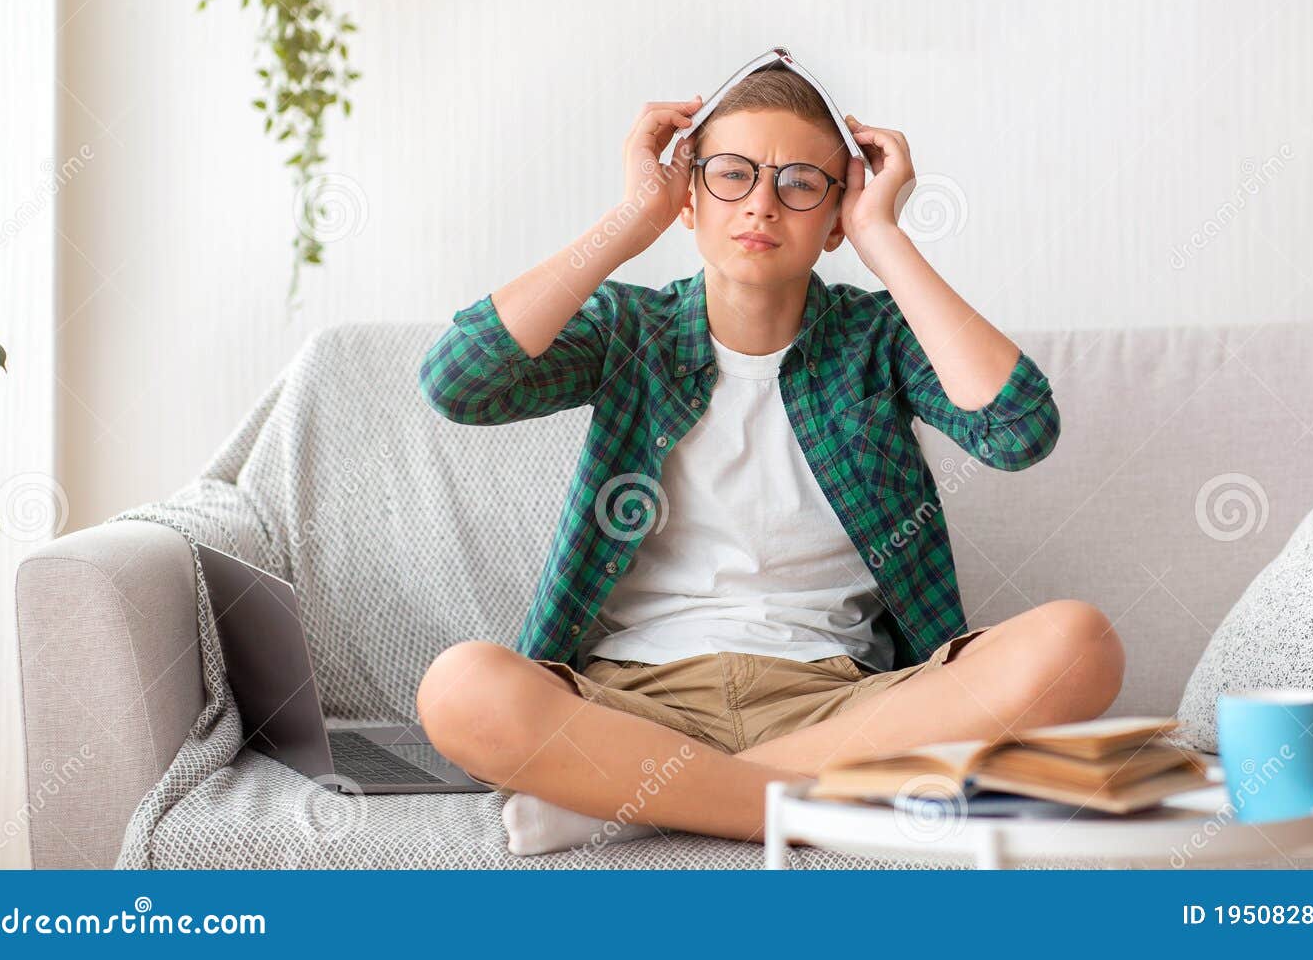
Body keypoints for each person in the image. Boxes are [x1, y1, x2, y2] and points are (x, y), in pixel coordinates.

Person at [415, 67, 1124, 853]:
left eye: (799, 183)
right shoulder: (631, 329)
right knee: (459, 687)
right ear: (689, 196)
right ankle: (786, 801)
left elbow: (1019, 429)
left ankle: (646, 797)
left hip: (840, 707)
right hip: (629, 703)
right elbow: (456, 382)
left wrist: (884, 238)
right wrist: (630, 217)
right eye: (731, 175)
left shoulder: (877, 339)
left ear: (834, 218)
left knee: (1080, 644)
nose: (761, 202)